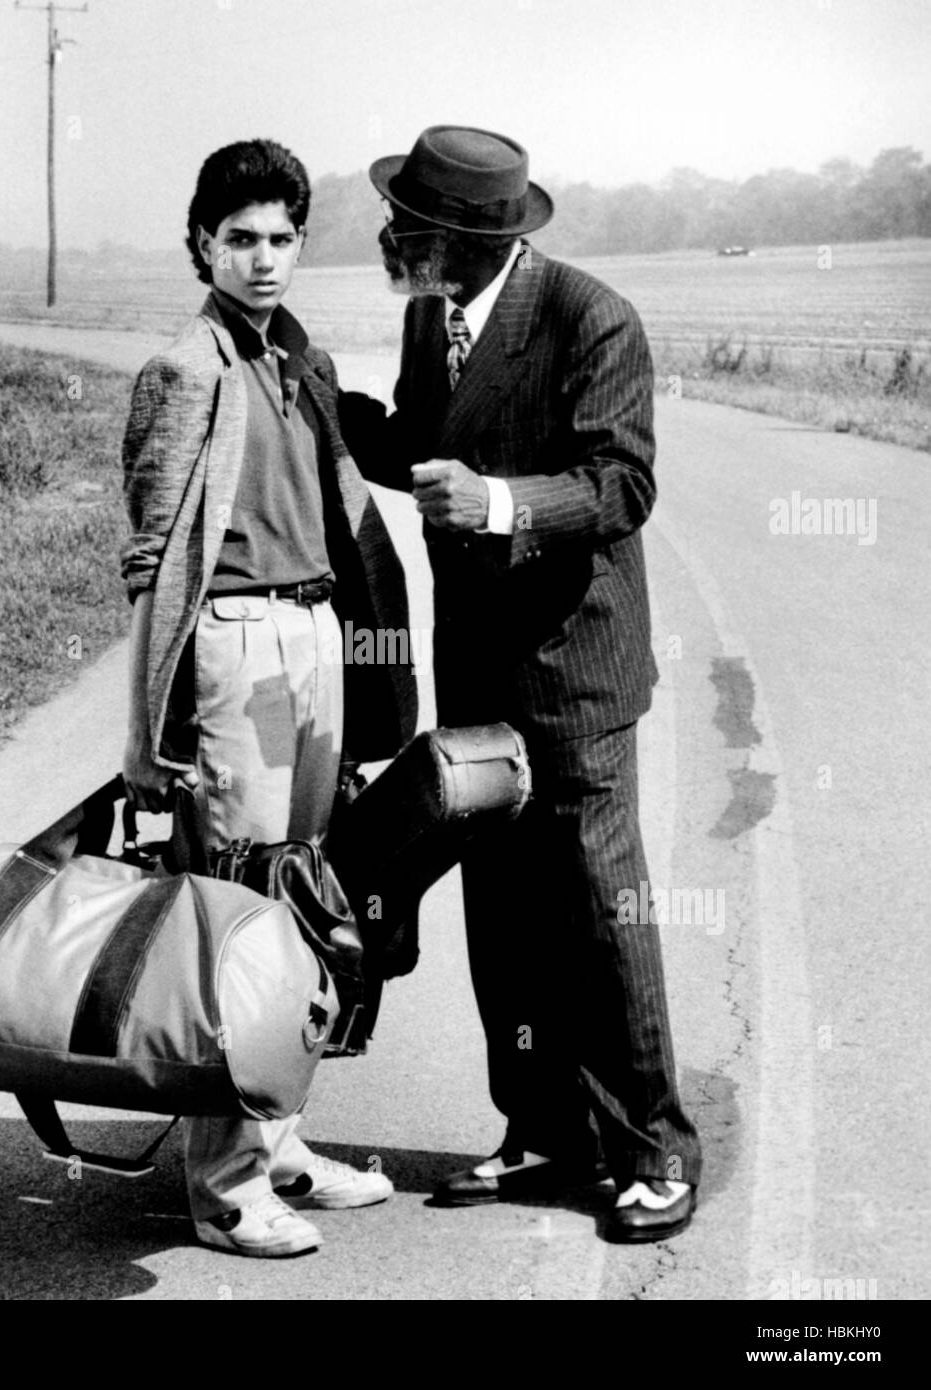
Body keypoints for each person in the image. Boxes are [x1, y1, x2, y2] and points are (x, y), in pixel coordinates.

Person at [338, 125, 702, 1243]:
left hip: (575, 674)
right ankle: (542, 1131)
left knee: (597, 909)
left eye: (410, 224)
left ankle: (651, 1149)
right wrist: (320, 402)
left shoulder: (589, 317)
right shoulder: (426, 312)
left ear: (466, 234)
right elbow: (415, 440)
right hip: (478, 671)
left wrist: (496, 506)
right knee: (500, 911)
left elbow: (618, 483)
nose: (392, 237)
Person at [119, 138, 417, 1258]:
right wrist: (146, 736)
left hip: (314, 636)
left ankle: (280, 1140)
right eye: (239, 238)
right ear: (200, 244)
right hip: (232, 644)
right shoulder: (184, 368)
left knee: (307, 906)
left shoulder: (301, 363)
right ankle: (225, 1183)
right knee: (233, 917)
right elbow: (150, 560)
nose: (262, 258)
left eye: (281, 238)